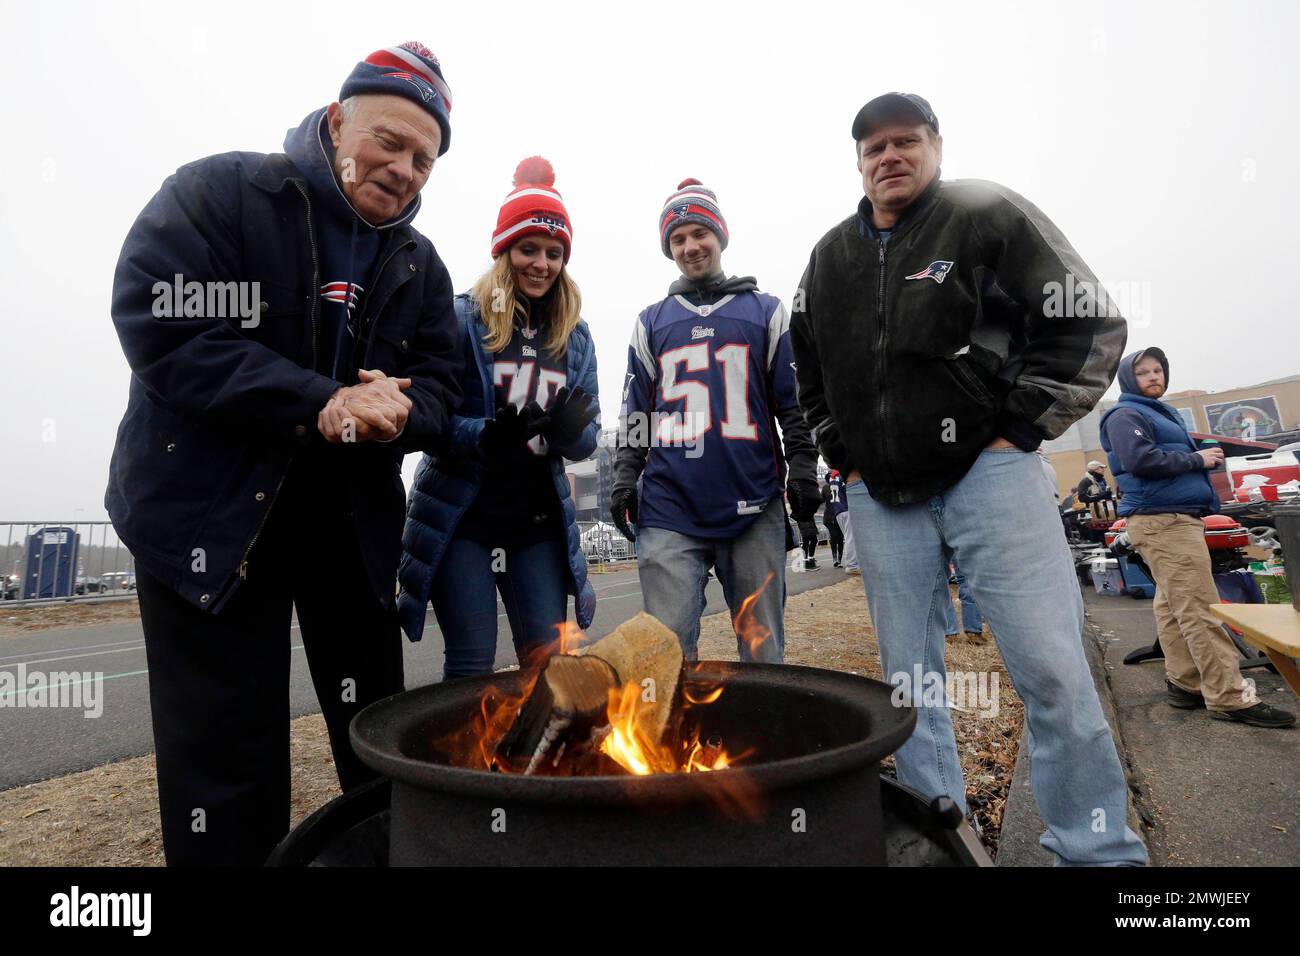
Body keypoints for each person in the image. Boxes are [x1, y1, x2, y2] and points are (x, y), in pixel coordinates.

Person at [105, 42, 463, 865]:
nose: (405, 169)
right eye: (388, 141)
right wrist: (321, 400)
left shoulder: (416, 263)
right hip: (210, 519)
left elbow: (450, 390)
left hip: (350, 526)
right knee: (223, 758)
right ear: (338, 121)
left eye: (424, 159)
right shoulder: (223, 194)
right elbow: (160, 322)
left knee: (377, 736)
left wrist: (400, 412)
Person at [790, 92, 1148, 865]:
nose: (890, 156)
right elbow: (805, 366)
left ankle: (1098, 855)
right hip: (882, 499)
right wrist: (839, 453)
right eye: (874, 147)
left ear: (937, 147)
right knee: (909, 689)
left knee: (1051, 670)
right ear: (857, 163)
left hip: (991, 478)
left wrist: (1019, 428)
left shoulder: (987, 217)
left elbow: (1087, 317)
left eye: (906, 141)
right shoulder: (829, 258)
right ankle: (937, 843)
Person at [398, 158, 601, 677]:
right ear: (504, 251)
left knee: (546, 661)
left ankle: (537, 758)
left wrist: (570, 434)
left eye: (554, 253)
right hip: (464, 516)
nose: (541, 262)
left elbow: (587, 438)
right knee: (471, 660)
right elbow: (429, 416)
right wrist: (483, 435)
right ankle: (465, 761)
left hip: (536, 523)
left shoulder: (575, 337)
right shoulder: (463, 317)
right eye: (528, 248)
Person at [611, 179, 819, 663]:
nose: (690, 246)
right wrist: (625, 475)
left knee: (762, 649)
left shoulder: (766, 312)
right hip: (669, 504)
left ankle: (763, 735)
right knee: (664, 653)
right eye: (678, 239)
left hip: (753, 501)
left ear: (720, 236)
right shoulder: (651, 321)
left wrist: (804, 467)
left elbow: (793, 404)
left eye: (699, 233)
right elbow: (636, 411)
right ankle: (669, 741)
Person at [1100, 347, 1294, 727]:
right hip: (1163, 522)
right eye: (1144, 372)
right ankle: (1229, 696)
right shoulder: (1126, 414)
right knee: (1202, 609)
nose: (1154, 376)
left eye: (1158, 370)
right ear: (1128, 379)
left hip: (1170, 519)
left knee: (1174, 607)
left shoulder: (1158, 413)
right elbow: (1139, 460)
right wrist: (1197, 460)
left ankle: (1185, 683)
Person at [822, 474, 845, 567]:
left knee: (840, 538)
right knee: (834, 535)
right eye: (831, 478)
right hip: (829, 517)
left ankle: (839, 559)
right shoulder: (825, 488)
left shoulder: (841, 486)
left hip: (840, 514)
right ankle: (834, 558)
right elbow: (820, 499)